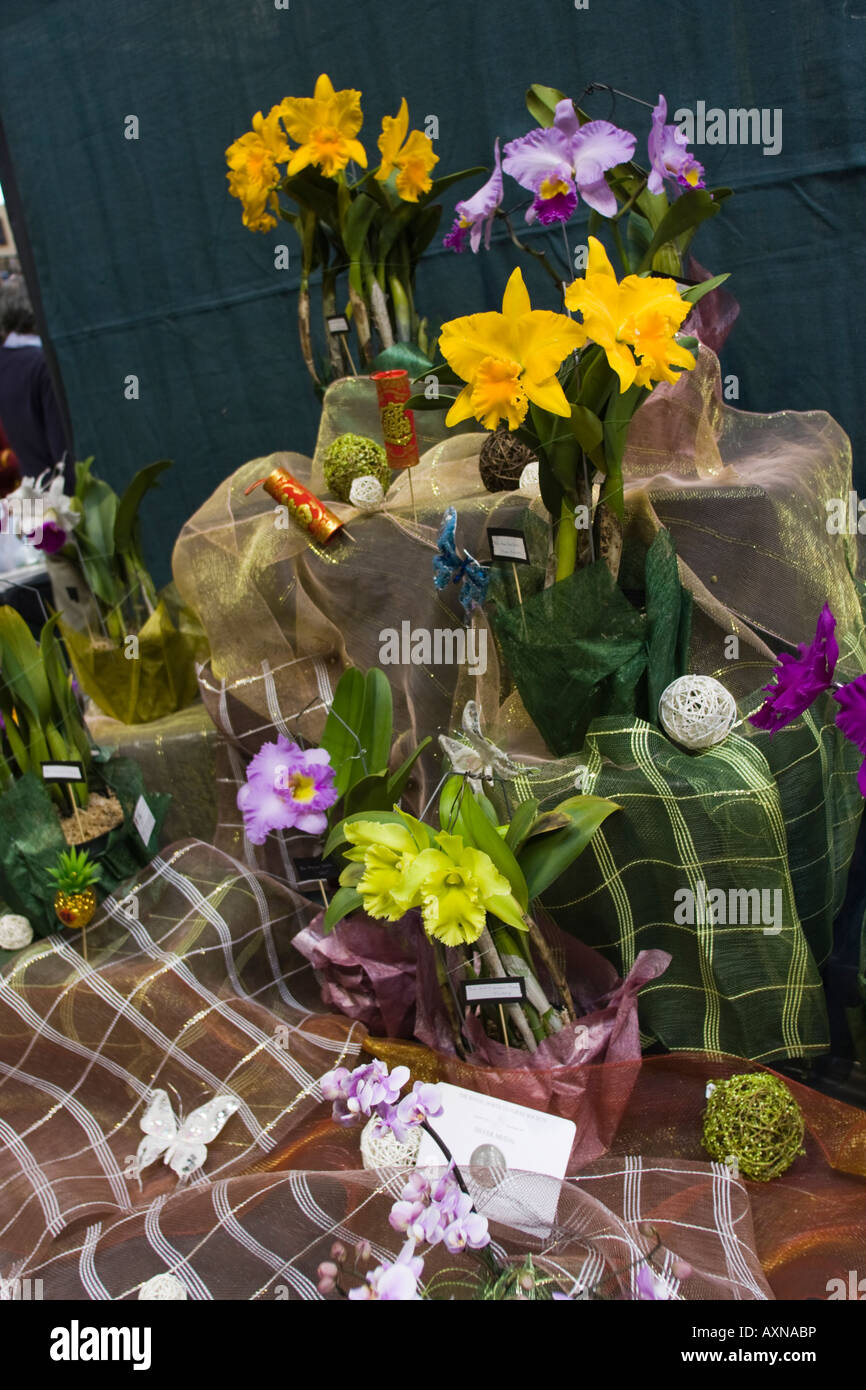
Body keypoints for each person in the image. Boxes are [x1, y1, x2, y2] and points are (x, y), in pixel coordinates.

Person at [0, 276, 68, 476]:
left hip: (30, 492)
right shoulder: (42, 365)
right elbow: (61, 449)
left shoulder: (7, 359)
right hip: (57, 495)